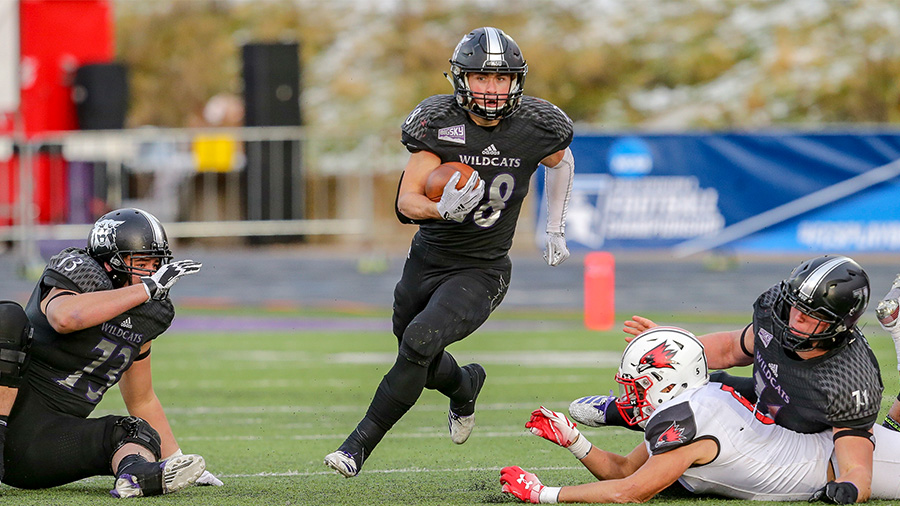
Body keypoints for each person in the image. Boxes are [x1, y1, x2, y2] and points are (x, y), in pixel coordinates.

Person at [324, 26, 575, 478]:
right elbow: (407, 202)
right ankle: (465, 385)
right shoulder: (439, 123)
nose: (492, 89)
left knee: (420, 341)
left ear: (516, 82)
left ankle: (357, 445)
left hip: (482, 269)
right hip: (428, 258)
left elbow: (562, 161)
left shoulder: (537, 126)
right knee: (413, 346)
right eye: (481, 78)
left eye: (501, 79)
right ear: (462, 80)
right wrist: (441, 209)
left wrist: (554, 225)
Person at [567, 255, 885, 503]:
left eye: (809, 314)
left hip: (807, 432)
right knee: (699, 383)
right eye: (795, 306)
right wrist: (677, 348)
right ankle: (627, 410)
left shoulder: (850, 379)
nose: (794, 317)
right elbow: (733, 347)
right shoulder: (778, 310)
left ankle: (633, 414)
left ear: (838, 324)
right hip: (769, 398)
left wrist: (850, 489)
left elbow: (857, 466)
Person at [500, 327, 900, 504]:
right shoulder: (690, 404)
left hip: (846, 462)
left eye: (638, 385)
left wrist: (544, 495)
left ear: (667, 382)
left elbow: (628, 493)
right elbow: (623, 472)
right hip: (823, 450)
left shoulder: (689, 419)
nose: (630, 395)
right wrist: (575, 442)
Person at [1, 208, 221, 497]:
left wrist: (176, 458)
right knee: (7, 318)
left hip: (43, 445)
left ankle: (136, 476)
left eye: (156, 264)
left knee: (137, 431)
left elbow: (141, 398)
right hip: (16, 404)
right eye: (142, 262)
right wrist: (146, 288)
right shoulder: (80, 271)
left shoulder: (149, 314)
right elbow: (65, 318)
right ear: (109, 264)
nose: (153, 273)